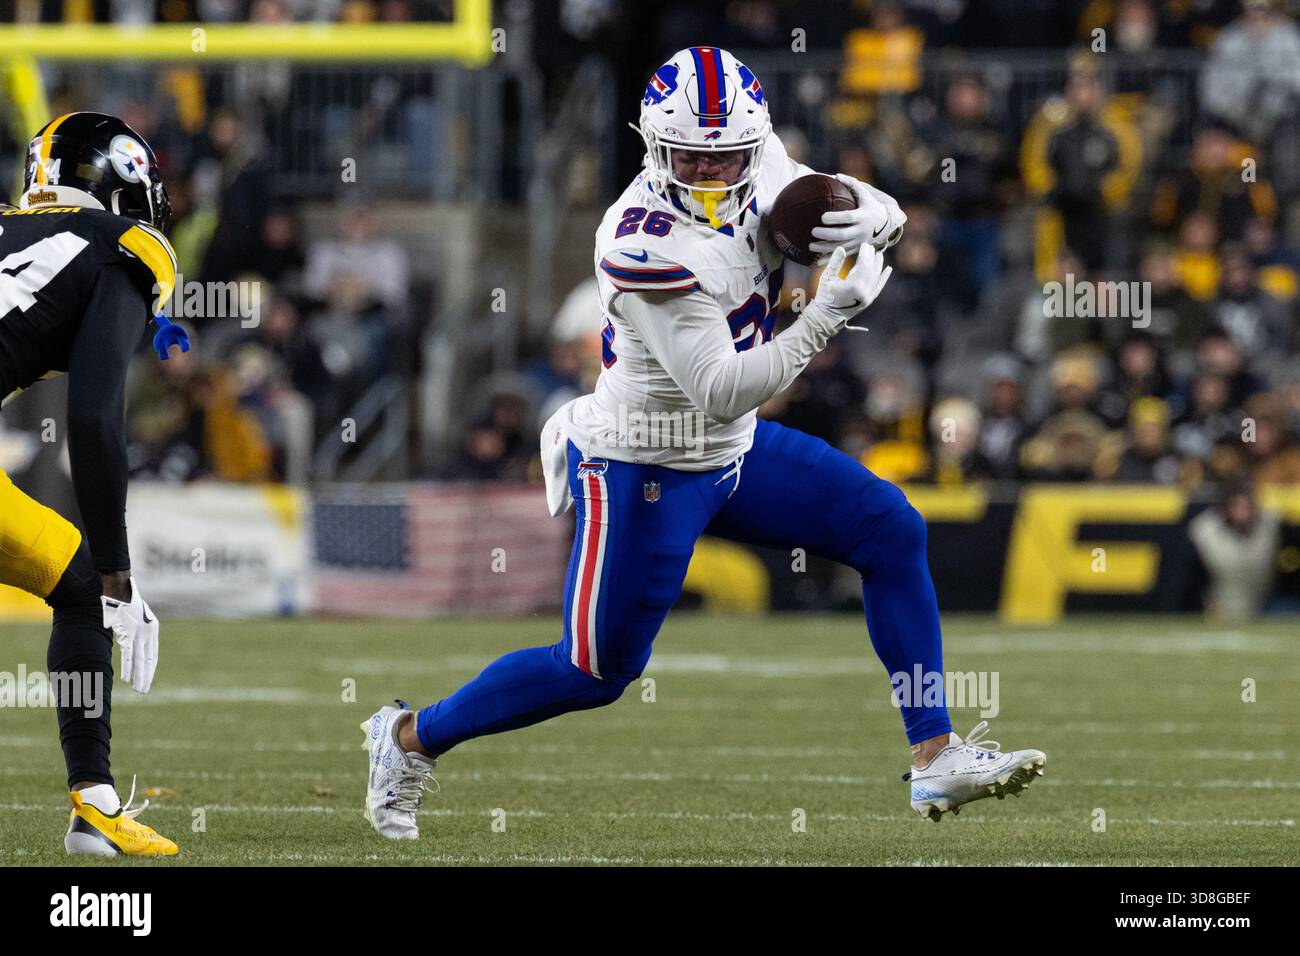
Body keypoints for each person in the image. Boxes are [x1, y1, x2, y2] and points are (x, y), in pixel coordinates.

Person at [361, 48, 1045, 838]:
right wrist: (825, 314)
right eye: (691, 156)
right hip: (642, 459)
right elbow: (720, 386)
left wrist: (877, 214)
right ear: (653, 143)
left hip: (732, 450)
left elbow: (851, 203)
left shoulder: (763, 160)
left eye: (725, 157)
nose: (712, 173)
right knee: (595, 671)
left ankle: (935, 758)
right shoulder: (641, 239)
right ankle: (407, 738)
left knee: (890, 527)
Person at [0, 112, 188, 856]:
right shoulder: (127, 245)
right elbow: (95, 419)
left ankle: (96, 808)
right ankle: (94, 803)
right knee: (83, 583)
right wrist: (118, 571)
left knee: (68, 578)